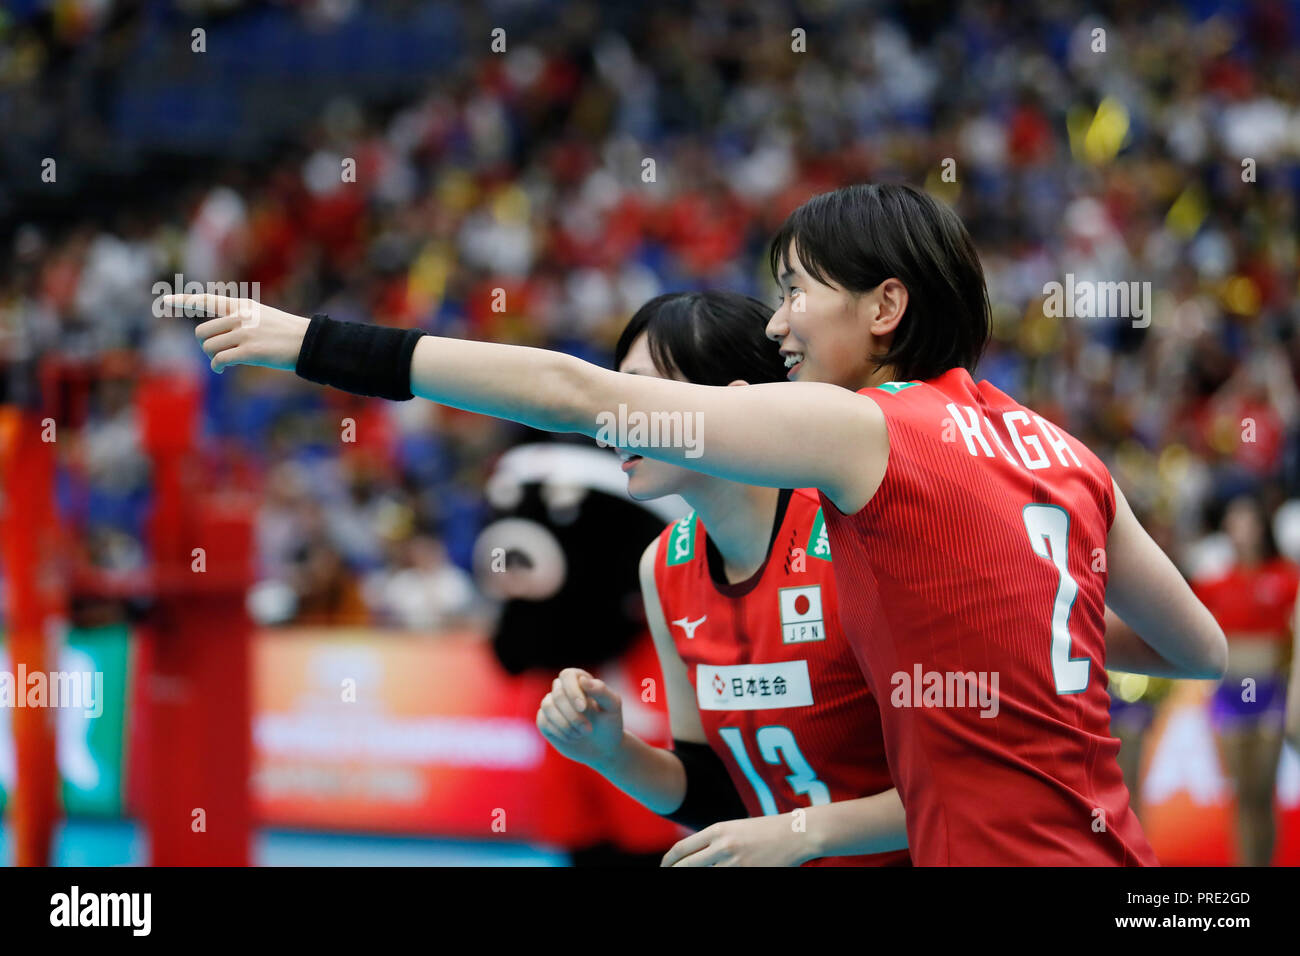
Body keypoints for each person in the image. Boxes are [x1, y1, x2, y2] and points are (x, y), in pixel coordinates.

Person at [176, 182, 1227, 864]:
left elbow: (570, 392)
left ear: (884, 308)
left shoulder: (861, 433)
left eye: (796, 291)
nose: (776, 323)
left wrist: (315, 342)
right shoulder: (1060, 450)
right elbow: (1198, 648)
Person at [535, 291, 909, 866]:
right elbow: (712, 789)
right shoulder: (662, 565)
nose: (609, 425)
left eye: (637, 392)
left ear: (730, 405)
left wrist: (802, 832)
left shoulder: (858, 536)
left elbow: (965, 782)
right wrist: (609, 751)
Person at [1192, 495, 1299, 866]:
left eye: (1247, 522)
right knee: (1241, 793)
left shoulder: (1285, 579)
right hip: (1229, 694)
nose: (1240, 531)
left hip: (1270, 693)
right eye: (1233, 523)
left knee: (1262, 792)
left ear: (1261, 528)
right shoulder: (1214, 585)